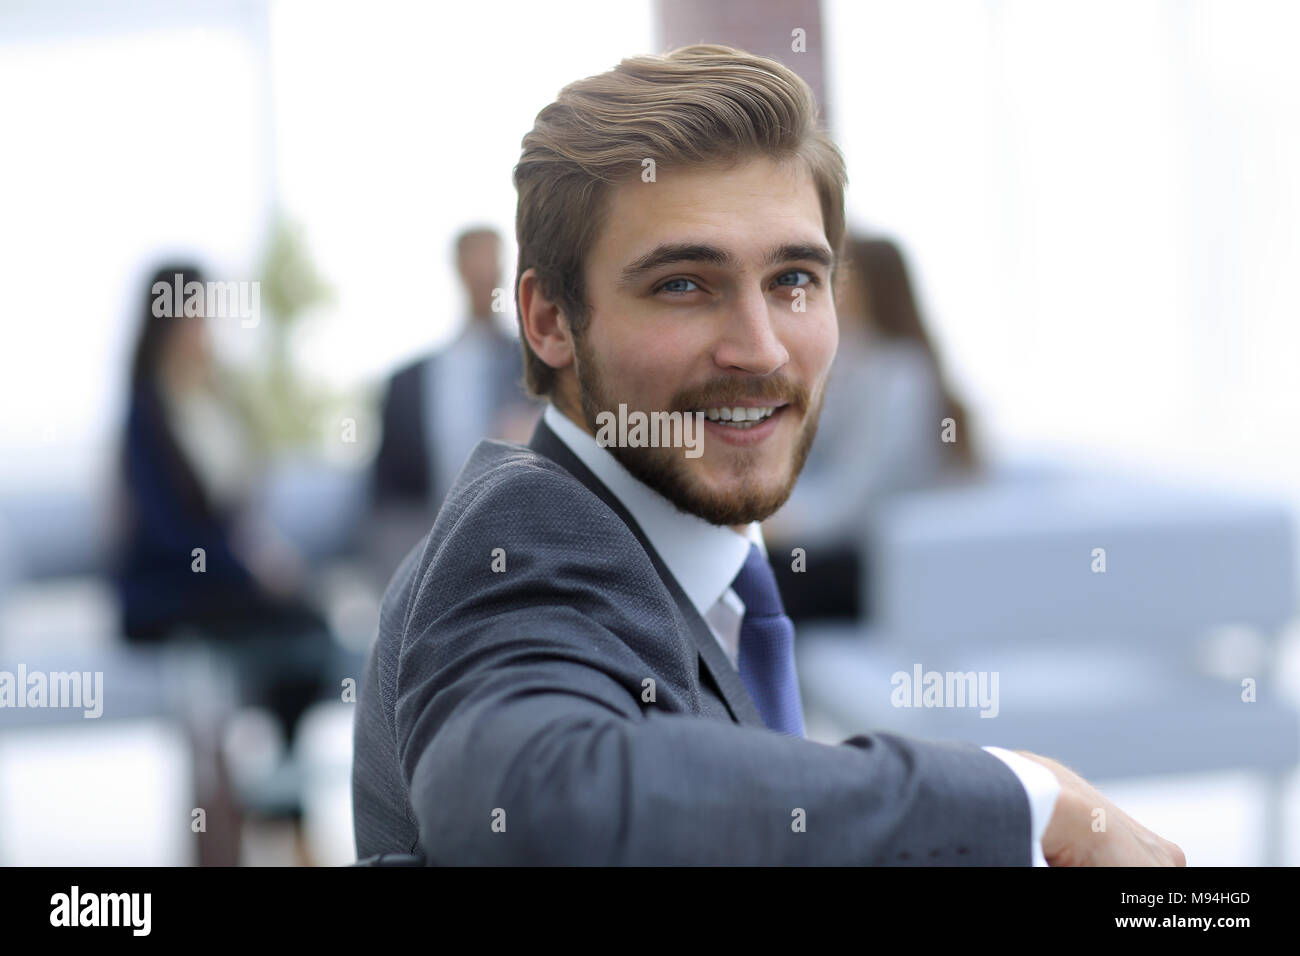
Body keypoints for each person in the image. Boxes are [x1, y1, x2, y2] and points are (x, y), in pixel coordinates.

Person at [351, 45, 1185, 866]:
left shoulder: (696, 561)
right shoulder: (526, 532)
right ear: (548, 321)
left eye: (793, 280)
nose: (760, 350)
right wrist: (1017, 792)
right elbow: (534, 799)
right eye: (683, 283)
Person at [112, 262, 336, 809]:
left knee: (309, 627)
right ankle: (278, 809)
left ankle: (277, 800)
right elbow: (167, 534)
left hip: (220, 580)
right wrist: (247, 570)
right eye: (191, 312)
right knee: (300, 625)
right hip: (170, 587)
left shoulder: (217, 401)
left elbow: (239, 511)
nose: (203, 324)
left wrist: (260, 560)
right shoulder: (145, 416)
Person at [765, 235, 978, 622]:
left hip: (871, 563)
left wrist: (777, 523)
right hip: (845, 547)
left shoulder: (901, 377)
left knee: (753, 584)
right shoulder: (855, 364)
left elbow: (857, 499)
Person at [368, 227, 540, 580]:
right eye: (475, 265)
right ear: (459, 269)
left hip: (519, 551)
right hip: (427, 554)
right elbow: (386, 496)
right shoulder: (409, 382)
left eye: (491, 265)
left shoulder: (538, 371)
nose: (484, 276)